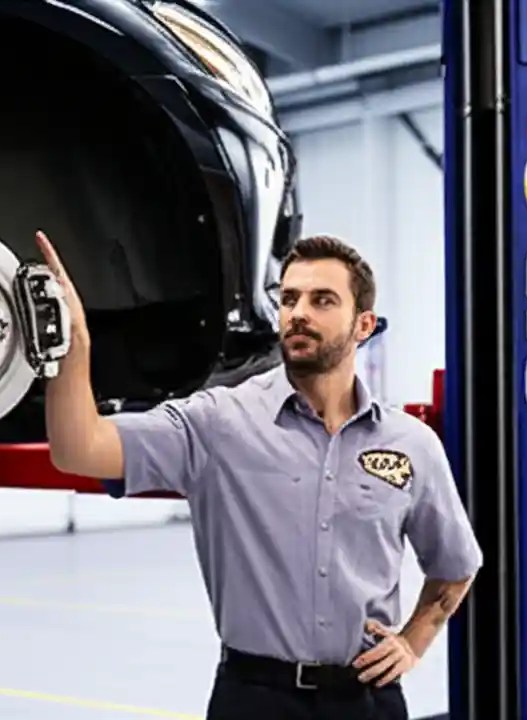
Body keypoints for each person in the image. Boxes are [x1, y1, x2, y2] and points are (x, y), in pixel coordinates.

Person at [37, 229, 483, 720]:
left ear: (363, 325)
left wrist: (413, 642)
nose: (298, 312)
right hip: (254, 699)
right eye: (289, 298)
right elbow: (80, 449)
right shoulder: (218, 422)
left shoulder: (410, 444)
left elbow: (455, 567)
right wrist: (73, 344)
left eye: (322, 300)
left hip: (367, 701)